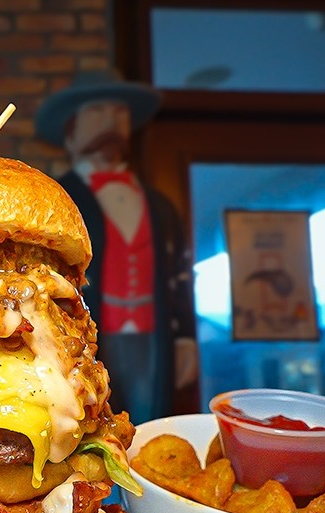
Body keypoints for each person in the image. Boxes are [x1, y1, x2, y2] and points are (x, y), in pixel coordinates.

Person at [34, 70, 198, 424]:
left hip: (152, 334)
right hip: (89, 335)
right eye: (98, 111)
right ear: (71, 129)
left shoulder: (160, 205)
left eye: (120, 113)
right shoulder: (57, 201)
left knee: (151, 417)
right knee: (91, 417)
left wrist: (185, 337)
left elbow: (180, 276)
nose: (112, 121)